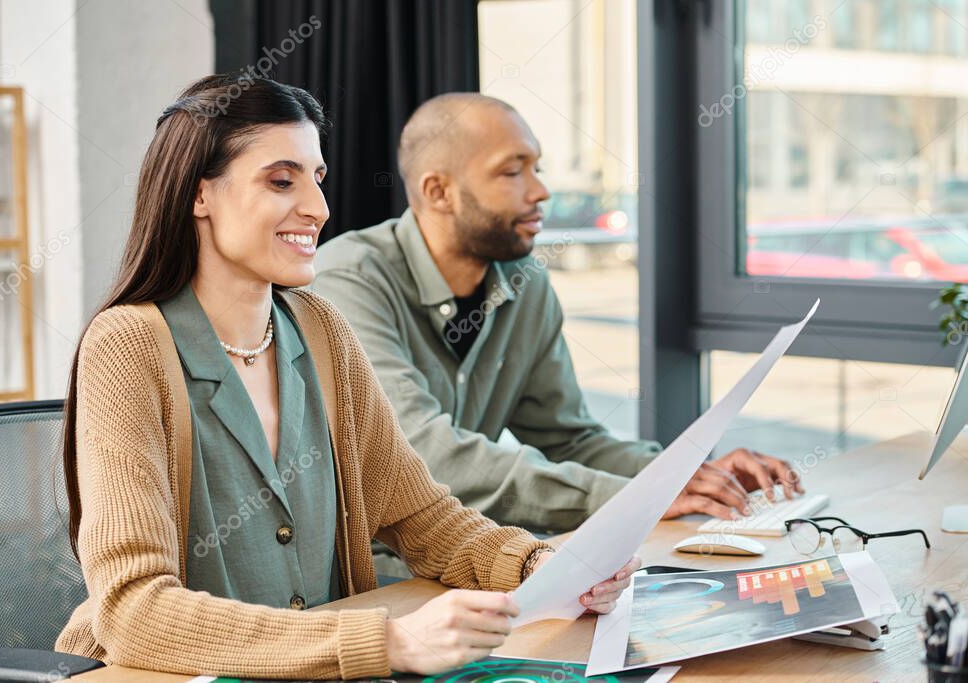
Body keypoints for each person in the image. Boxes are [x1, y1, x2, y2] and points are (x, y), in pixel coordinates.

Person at [54, 75, 640, 681]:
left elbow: (423, 518)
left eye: (317, 179)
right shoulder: (128, 345)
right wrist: (387, 642)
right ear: (199, 194)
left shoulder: (319, 330)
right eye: (282, 181)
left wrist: (541, 564)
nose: (318, 208)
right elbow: (133, 611)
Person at [311, 93, 803, 539]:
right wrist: (632, 498)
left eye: (538, 167)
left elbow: (570, 440)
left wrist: (686, 474)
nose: (541, 190)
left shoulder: (525, 282)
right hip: (369, 582)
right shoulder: (349, 281)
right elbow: (424, 455)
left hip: (461, 560)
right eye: (512, 171)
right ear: (438, 192)